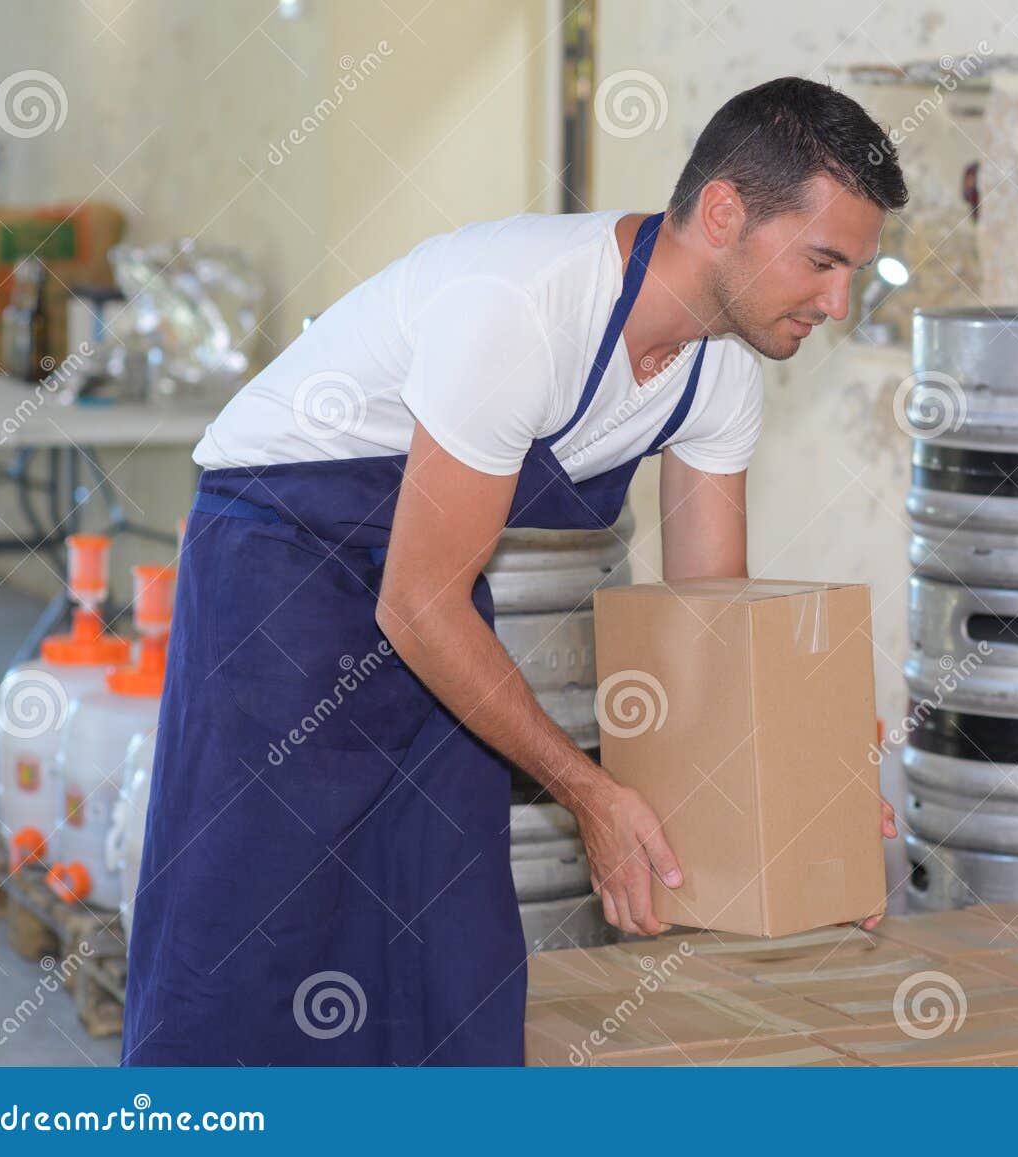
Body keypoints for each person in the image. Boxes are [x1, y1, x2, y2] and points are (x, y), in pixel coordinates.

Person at [121, 76, 910, 1066]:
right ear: (723, 215)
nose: (837, 303)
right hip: (280, 565)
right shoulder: (521, 307)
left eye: (856, 274)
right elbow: (417, 600)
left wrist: (806, 780)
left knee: (446, 927)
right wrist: (588, 790)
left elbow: (712, 626)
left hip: (434, 594)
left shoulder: (722, 372)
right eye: (823, 261)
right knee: (254, 913)